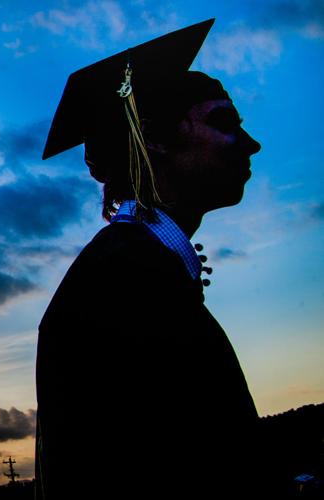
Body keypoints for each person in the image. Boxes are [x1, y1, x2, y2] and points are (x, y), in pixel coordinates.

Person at [34, 19, 279, 498]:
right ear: (156, 139)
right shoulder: (124, 283)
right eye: (223, 122)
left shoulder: (140, 268)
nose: (251, 144)